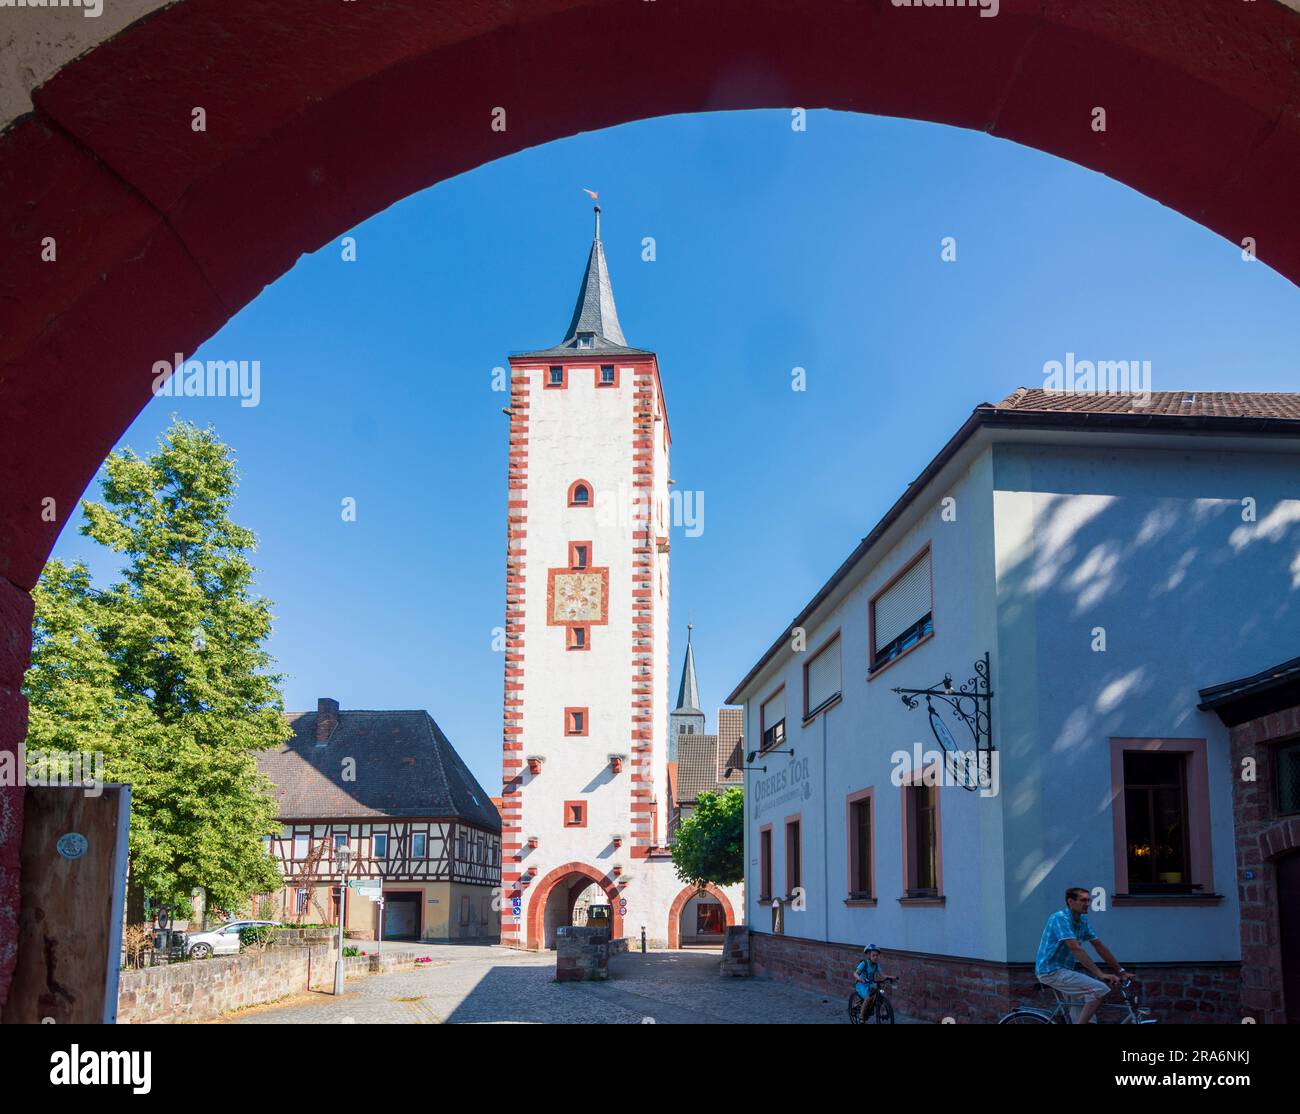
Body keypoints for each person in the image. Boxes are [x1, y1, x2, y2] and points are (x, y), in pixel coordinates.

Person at [1035, 887, 1131, 1024]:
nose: (1087, 903)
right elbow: (1075, 947)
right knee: (1099, 990)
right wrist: (1101, 974)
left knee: (1085, 1015)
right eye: (1083, 900)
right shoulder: (1059, 918)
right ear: (1070, 902)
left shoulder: (1082, 921)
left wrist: (1120, 971)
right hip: (1050, 971)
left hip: (1065, 971)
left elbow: (1099, 945)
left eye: (1088, 900)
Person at [854, 944, 888, 1020]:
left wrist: (891, 977)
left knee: (880, 993)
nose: (876, 957)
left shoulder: (876, 965)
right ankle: (861, 1017)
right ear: (868, 955)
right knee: (868, 997)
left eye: (877, 955)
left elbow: (882, 975)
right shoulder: (864, 963)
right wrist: (860, 979)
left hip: (870, 984)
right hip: (861, 984)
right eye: (874, 955)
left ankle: (882, 1012)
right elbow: (855, 973)